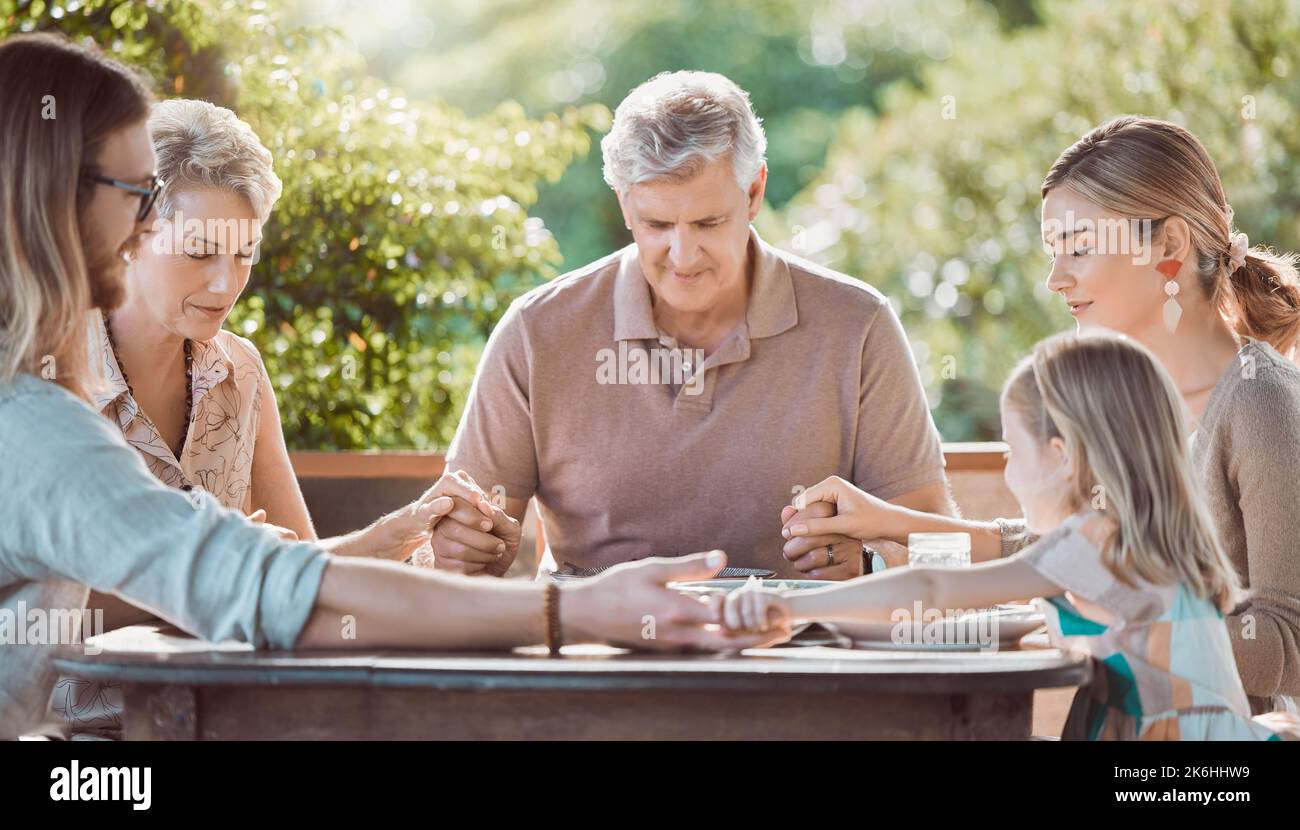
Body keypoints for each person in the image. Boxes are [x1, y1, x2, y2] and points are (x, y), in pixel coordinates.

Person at [0, 33, 778, 741]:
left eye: (241, 251)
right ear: (58, 199)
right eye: (139, 199)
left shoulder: (183, 378)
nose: (221, 277)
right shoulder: (38, 422)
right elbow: (265, 588)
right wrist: (573, 608)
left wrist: (386, 547)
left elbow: (287, 584)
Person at [781, 116, 1300, 714]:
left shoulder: (1262, 403)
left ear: (1169, 246)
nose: (1056, 279)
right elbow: (1064, 553)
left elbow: (1286, 646)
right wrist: (886, 523)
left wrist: (1110, 627)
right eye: (1054, 253)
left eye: (1079, 248)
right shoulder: (1134, 400)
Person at [435, 70, 956, 581]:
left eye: (708, 223)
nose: (682, 256)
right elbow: (460, 542)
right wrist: (467, 550)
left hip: (798, 654)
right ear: (624, 203)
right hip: (595, 652)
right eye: (658, 225)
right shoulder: (537, 331)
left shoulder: (857, 325)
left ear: (754, 192)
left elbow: (942, 547)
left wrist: (874, 560)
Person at [722, 334, 1298, 740]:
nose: (1007, 471)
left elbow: (934, 589)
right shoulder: (1146, 536)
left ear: (1061, 457)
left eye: (1010, 451)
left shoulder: (1093, 540)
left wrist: (793, 606)